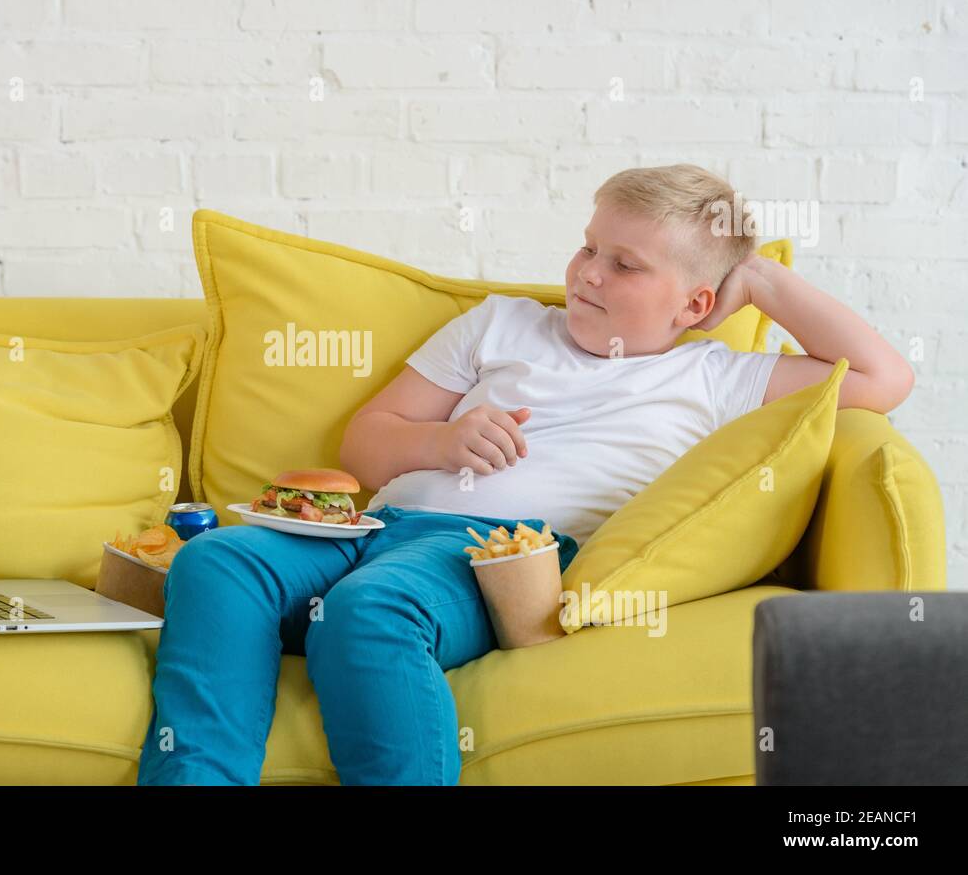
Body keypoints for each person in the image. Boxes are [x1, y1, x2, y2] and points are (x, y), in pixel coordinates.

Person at [136, 163, 916, 786]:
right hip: (375, 528)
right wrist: (441, 442)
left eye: (625, 263)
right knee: (216, 560)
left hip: (499, 555)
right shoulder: (501, 323)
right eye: (587, 247)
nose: (588, 274)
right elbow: (366, 442)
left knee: (369, 610)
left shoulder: (717, 378)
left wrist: (763, 281)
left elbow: (884, 379)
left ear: (697, 301)